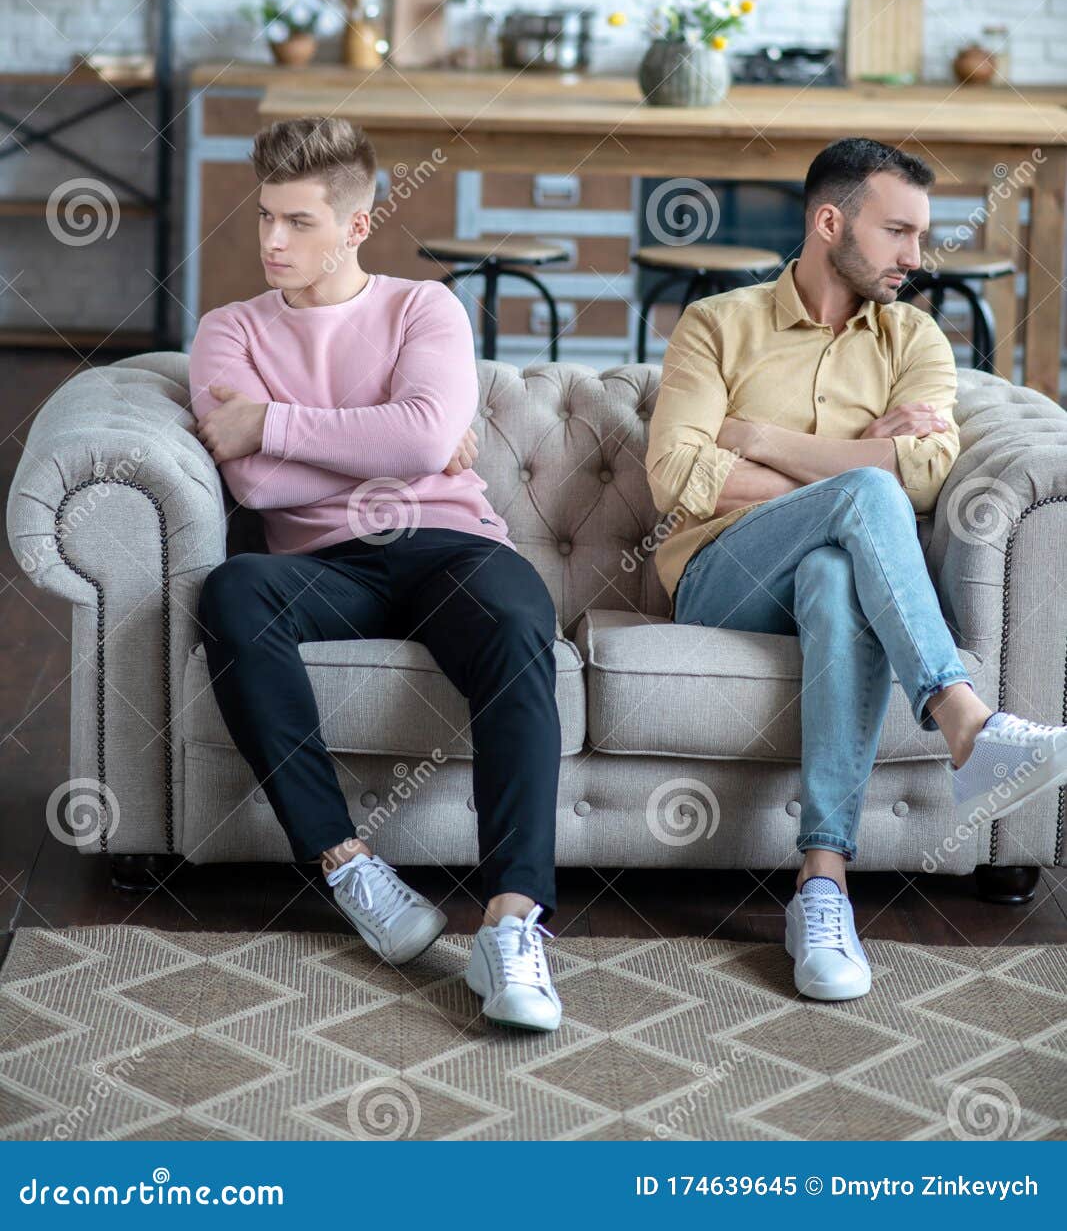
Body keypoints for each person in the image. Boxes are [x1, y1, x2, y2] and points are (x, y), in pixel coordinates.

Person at [646, 137, 1067, 1002]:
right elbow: (677, 476)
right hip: (718, 580)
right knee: (864, 494)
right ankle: (964, 722)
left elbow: (923, 471)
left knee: (839, 577)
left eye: (921, 234)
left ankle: (822, 883)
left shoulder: (914, 339)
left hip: (812, 580)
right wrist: (854, 457)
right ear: (829, 221)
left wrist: (760, 442)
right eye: (897, 232)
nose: (917, 258)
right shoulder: (716, 325)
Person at [188, 115, 562, 1032]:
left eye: (300, 222)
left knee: (519, 619)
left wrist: (277, 420)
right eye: (265, 217)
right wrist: (394, 440)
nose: (273, 241)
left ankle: (512, 925)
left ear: (356, 225)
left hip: (451, 544)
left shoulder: (422, 308)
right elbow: (253, 479)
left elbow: (423, 436)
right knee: (230, 592)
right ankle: (349, 866)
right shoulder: (226, 331)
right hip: (319, 565)